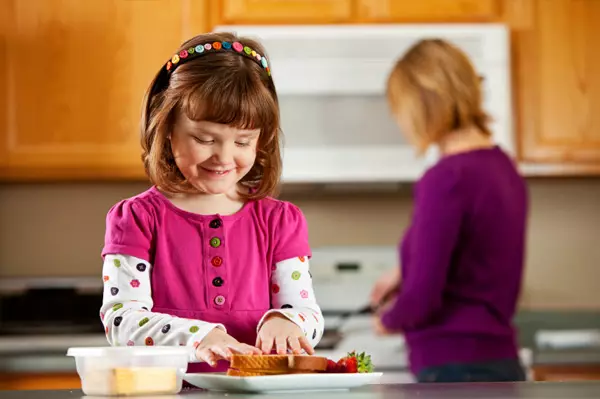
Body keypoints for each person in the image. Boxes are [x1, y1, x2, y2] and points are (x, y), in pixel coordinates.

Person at [99, 32, 324, 373]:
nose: (224, 156)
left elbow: (309, 315)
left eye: (243, 141)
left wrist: (286, 321)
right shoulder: (137, 219)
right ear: (167, 126)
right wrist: (201, 337)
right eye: (204, 138)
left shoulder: (280, 221)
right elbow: (121, 321)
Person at [370, 39, 528, 383]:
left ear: (422, 104)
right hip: (499, 361)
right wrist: (402, 270)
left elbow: (422, 299)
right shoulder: (504, 169)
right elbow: (475, 256)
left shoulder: (446, 178)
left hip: (453, 367)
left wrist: (388, 320)